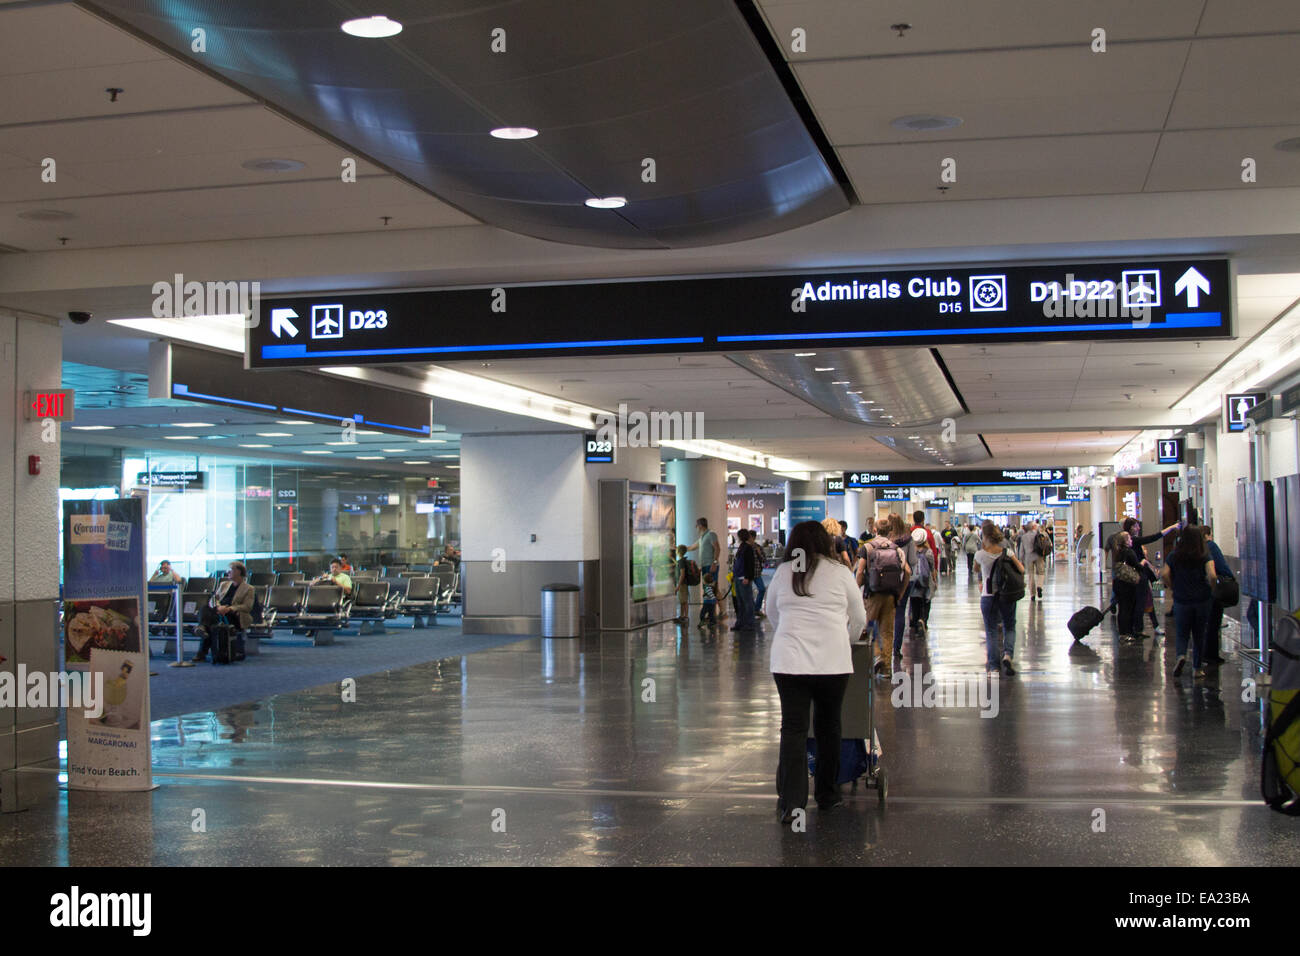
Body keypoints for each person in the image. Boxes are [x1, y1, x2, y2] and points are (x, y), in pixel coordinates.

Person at [766, 519, 866, 822]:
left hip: (789, 662)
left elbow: (771, 613)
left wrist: (790, 636)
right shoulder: (839, 573)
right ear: (826, 542)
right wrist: (845, 641)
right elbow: (859, 617)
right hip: (832, 663)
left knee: (793, 730)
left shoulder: (784, 572)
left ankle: (792, 804)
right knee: (828, 728)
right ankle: (827, 795)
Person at [1161, 526, 1219, 681]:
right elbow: (1212, 576)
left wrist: (1173, 586)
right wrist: (1210, 589)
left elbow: (1164, 573)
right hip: (1202, 600)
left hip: (1181, 600)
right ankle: (1197, 669)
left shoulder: (1174, 555)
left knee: (1182, 632)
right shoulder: (1204, 555)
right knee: (1199, 634)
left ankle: (1181, 655)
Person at [856, 517, 910, 677]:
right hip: (890, 596)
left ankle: (876, 654)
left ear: (874, 530)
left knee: (868, 628)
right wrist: (900, 592)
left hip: (872, 595)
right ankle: (886, 668)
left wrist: (855, 589)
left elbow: (860, 572)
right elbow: (907, 571)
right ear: (890, 531)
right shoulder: (896, 549)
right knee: (887, 632)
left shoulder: (867, 547)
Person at [974, 520, 1025, 676]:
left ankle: (994, 666)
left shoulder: (980, 554)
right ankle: (1008, 655)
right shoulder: (1007, 552)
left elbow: (975, 569)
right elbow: (1021, 569)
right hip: (1006, 595)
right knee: (1009, 626)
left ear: (985, 537)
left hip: (988, 596)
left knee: (991, 631)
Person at [1124, 517, 1179, 638]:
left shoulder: (1129, 542)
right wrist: (1172, 527)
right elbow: (1154, 537)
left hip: (1137, 576)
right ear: (1130, 528)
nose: (1138, 528)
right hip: (1139, 577)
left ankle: (1151, 626)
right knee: (1143, 601)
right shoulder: (1134, 540)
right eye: (1136, 526)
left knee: (1146, 600)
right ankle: (1140, 629)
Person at [191, 561, 255, 663]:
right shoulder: (224, 584)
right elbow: (213, 599)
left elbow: (247, 607)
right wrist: (218, 607)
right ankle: (203, 630)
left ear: (238, 571)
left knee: (210, 623)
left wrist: (229, 609)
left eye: (230, 570)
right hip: (219, 612)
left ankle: (201, 652)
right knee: (205, 609)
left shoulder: (249, 589)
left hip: (235, 615)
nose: (227, 572)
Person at [1202, 525, 1233, 665]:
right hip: (1214, 589)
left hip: (1200, 591)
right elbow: (1221, 567)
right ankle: (1211, 654)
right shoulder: (1212, 546)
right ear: (1208, 534)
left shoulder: (1197, 549)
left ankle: (1204, 654)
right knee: (1214, 623)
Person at [1110, 530, 1144, 642]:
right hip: (1128, 585)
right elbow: (1138, 566)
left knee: (1122, 608)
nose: (1131, 540)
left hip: (1118, 583)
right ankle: (1128, 632)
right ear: (1125, 541)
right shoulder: (1129, 552)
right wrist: (1144, 562)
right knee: (1128, 609)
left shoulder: (1117, 552)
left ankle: (1122, 633)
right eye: (1129, 538)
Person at [683, 516, 722, 605]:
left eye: (696, 525)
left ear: (700, 525)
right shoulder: (702, 538)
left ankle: (717, 612)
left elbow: (717, 548)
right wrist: (678, 548)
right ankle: (717, 611)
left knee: (712, 588)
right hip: (704, 566)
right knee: (709, 588)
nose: (696, 528)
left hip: (710, 565)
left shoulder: (711, 534)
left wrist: (714, 563)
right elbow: (691, 547)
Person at [731, 528, 758, 631]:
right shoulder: (742, 547)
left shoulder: (747, 548)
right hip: (738, 577)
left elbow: (750, 564)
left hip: (743, 578)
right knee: (740, 602)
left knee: (747, 601)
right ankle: (741, 622)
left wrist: (747, 577)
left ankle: (749, 623)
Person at [1017, 520, 1047, 601]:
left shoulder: (1024, 537)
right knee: (1041, 572)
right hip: (1038, 555)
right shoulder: (1038, 534)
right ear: (1033, 527)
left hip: (1028, 557)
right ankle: (1039, 586)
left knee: (1031, 575)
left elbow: (1021, 550)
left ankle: (1032, 594)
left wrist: (1021, 560)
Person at [749, 532, 769, 618]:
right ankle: (751, 610)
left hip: (757, 572)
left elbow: (764, 560)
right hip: (748, 573)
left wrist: (759, 552)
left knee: (762, 589)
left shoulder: (758, 547)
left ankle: (756, 609)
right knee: (748, 592)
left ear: (753, 537)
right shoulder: (746, 547)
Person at [674, 544, 692, 623]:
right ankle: (682, 616)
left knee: (684, 601)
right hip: (683, 583)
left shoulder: (681, 561)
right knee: (682, 601)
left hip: (682, 584)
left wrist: (678, 585)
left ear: (678, 552)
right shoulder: (682, 560)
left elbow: (682, 574)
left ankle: (685, 616)